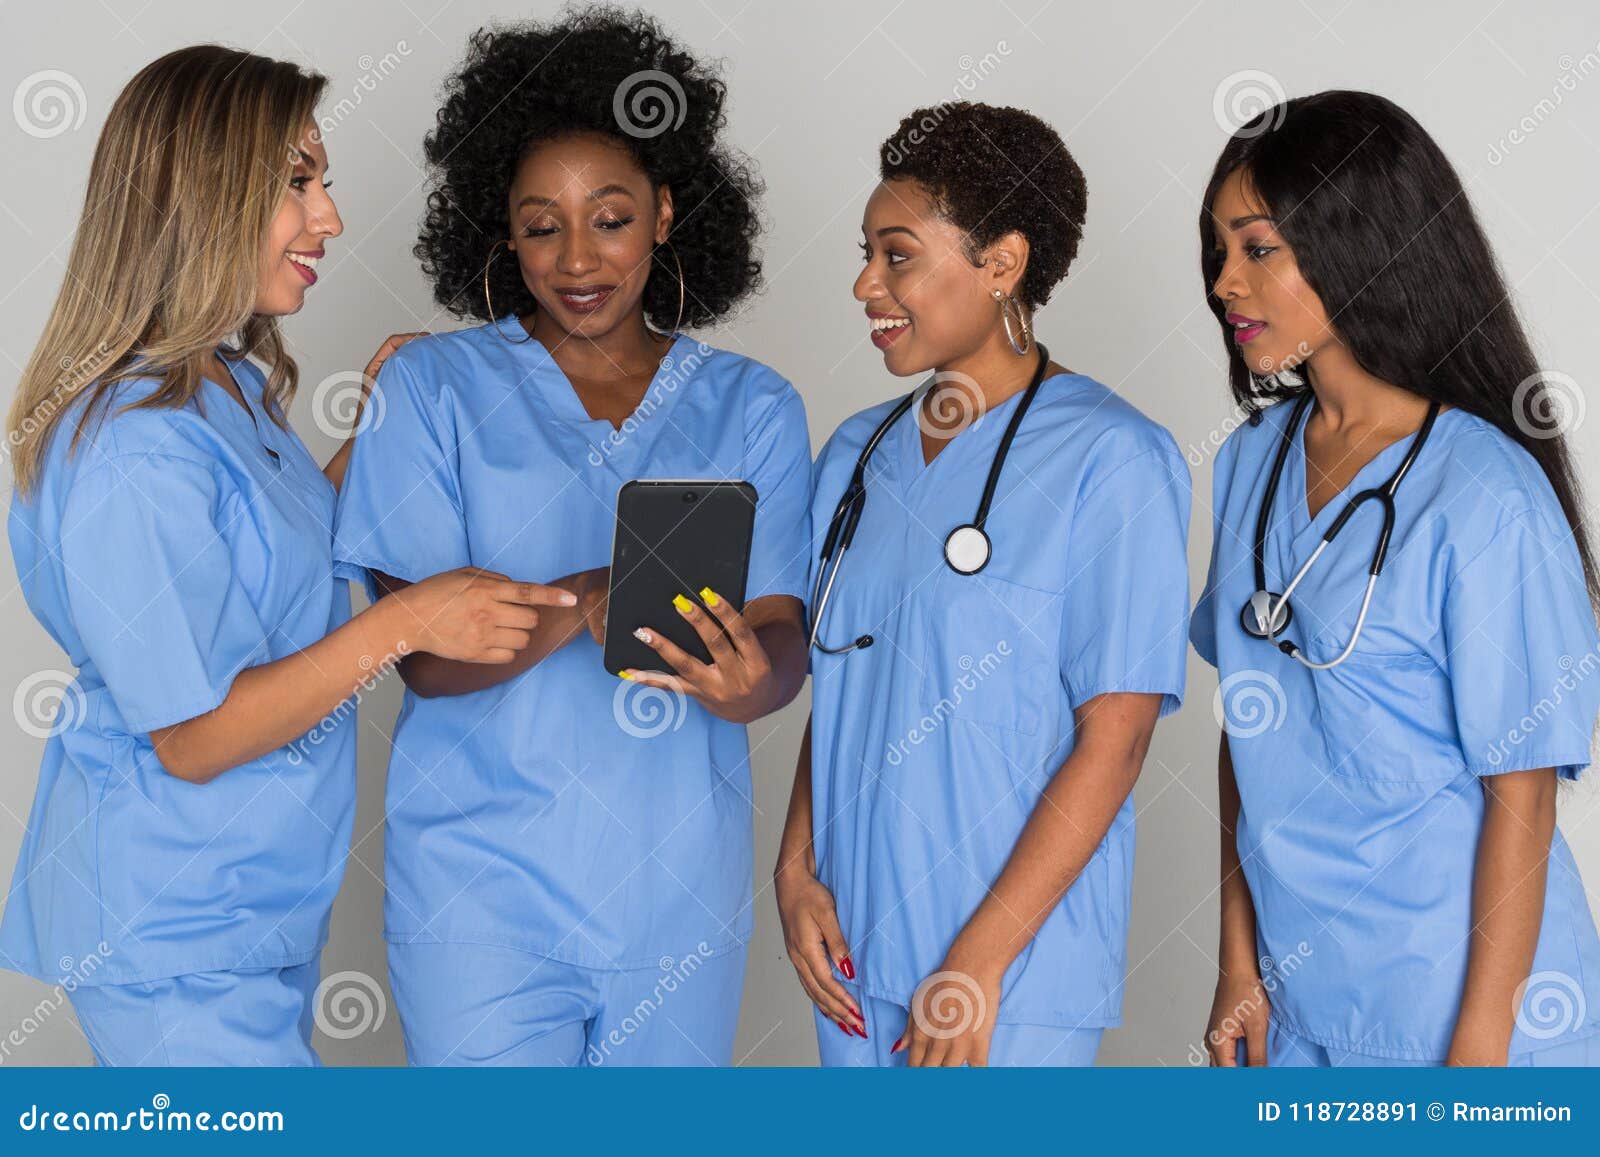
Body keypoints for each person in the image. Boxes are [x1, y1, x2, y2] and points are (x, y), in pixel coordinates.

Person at [0, 46, 562, 1066]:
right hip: (171, 928)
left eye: (324, 182)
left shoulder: (219, 387)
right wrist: (408, 620)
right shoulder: (131, 443)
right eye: (297, 183)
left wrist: (374, 431)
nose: (330, 218)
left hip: (248, 911)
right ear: (201, 196)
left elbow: (279, 554)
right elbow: (193, 735)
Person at [332, 9, 811, 1067]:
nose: (578, 258)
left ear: (666, 212)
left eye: (612, 218)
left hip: (677, 892)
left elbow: (781, 633)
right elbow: (420, 658)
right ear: (502, 232)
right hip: (477, 896)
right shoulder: (430, 388)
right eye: (541, 225)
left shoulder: (755, 405)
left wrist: (748, 683)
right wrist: (591, 596)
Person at [776, 103, 1191, 1066]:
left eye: (897, 256)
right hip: (849, 949)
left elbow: (1118, 738)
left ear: (1002, 262)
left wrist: (978, 959)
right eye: (866, 255)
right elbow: (844, 686)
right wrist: (794, 871)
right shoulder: (857, 453)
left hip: (1008, 977)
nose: (865, 284)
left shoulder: (1113, 457)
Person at [1193, 90, 1600, 1067]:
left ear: (1360, 246)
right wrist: (1237, 962)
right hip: (1297, 1011)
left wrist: (1477, 1057)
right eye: (1218, 250)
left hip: (1468, 1020)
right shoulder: (1249, 461)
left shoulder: (1481, 491)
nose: (1224, 282)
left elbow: (1522, 794)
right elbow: (1249, 722)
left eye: (1258, 248)